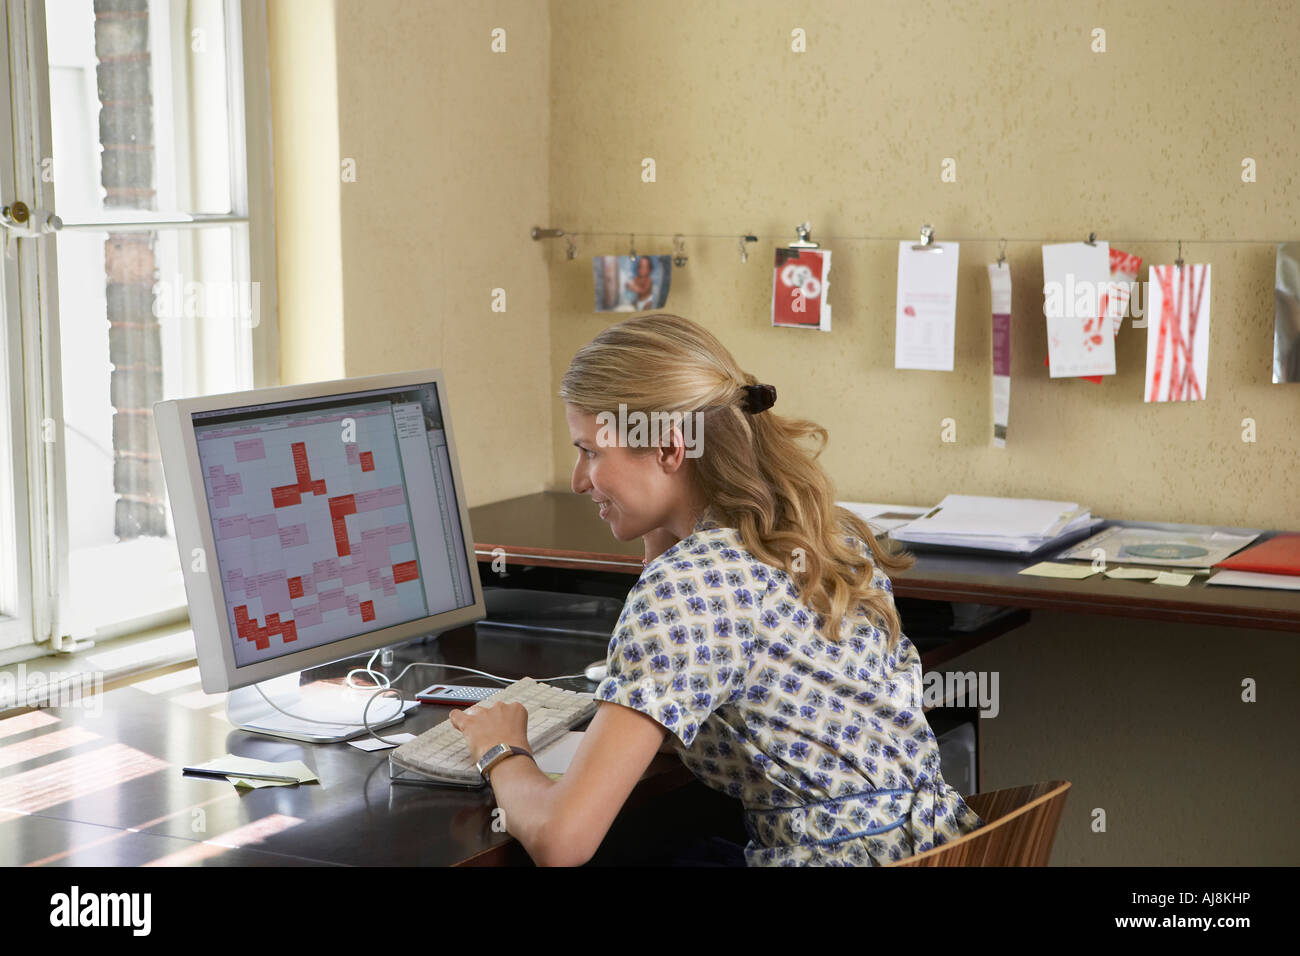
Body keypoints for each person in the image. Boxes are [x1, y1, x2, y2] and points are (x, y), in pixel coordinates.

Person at [448, 313, 984, 866]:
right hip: (931, 848)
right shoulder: (826, 533)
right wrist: (663, 545)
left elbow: (563, 840)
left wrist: (501, 749)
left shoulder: (690, 585)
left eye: (591, 451)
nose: (579, 479)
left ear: (669, 450)